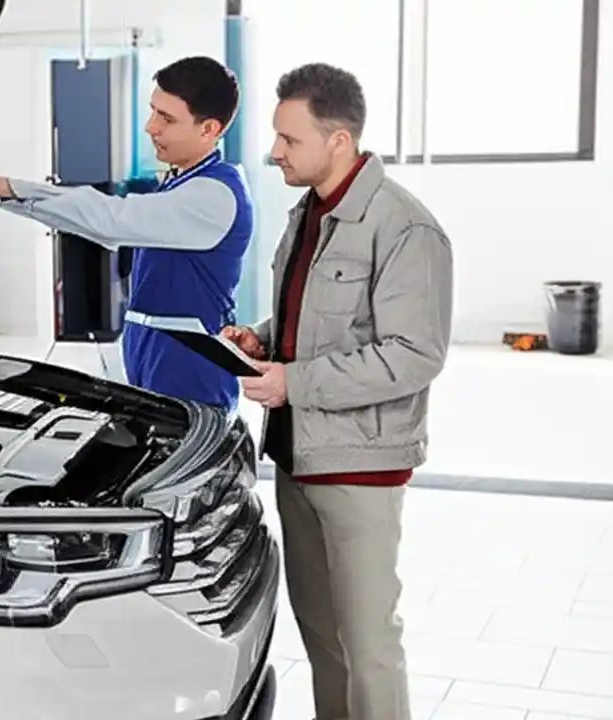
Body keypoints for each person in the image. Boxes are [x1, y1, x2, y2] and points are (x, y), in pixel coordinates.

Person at [222, 63, 453, 720]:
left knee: (369, 644)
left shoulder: (405, 228)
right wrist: (264, 342)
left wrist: (293, 380)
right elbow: (319, 322)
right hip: (300, 455)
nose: (274, 152)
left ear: (340, 142)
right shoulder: (308, 215)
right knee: (324, 640)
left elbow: (414, 355)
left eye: (289, 140)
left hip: (360, 470)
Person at [0, 56, 253, 411]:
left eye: (166, 119)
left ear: (209, 129)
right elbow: (108, 225)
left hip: (190, 367)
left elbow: (110, 219)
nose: (150, 127)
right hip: (154, 352)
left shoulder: (214, 194)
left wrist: (1, 185)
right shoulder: (179, 181)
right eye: (153, 112)